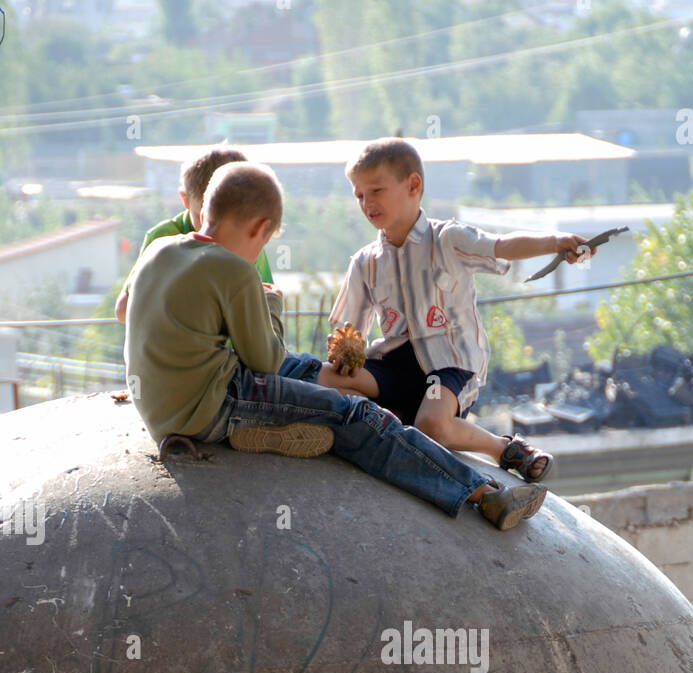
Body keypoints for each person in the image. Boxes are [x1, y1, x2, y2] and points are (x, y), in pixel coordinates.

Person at [123, 161, 547, 531]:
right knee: (356, 414)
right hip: (211, 406)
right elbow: (266, 360)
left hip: (168, 403)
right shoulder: (233, 270)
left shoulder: (158, 250)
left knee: (305, 368)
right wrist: (268, 298)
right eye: (263, 244)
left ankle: (281, 419)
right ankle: (481, 495)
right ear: (260, 228)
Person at [329, 137, 598, 482]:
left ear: (413, 186)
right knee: (325, 381)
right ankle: (394, 419)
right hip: (395, 367)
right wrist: (342, 353)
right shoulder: (365, 263)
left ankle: (504, 449)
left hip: (447, 364)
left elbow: (501, 247)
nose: (367, 203)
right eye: (359, 196)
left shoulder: (447, 240)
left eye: (376, 191)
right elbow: (347, 330)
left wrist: (554, 242)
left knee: (431, 424)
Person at [114, 147, 274, 325]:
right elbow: (123, 311)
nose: (215, 229)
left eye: (230, 219)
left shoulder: (249, 239)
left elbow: (266, 313)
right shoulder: (164, 239)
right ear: (185, 200)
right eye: (205, 217)